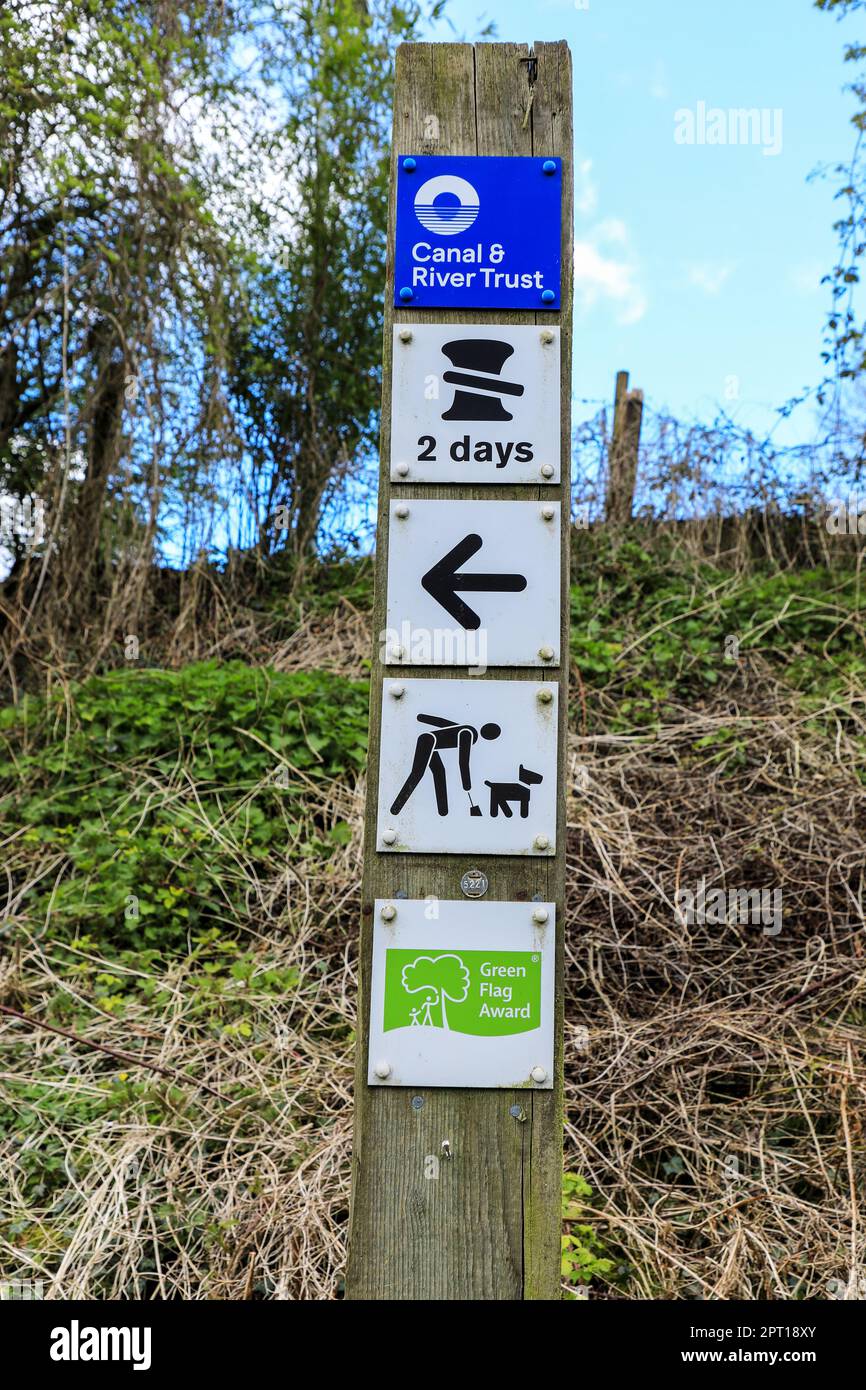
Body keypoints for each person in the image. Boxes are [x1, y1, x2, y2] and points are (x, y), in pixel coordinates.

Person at [389, 713, 501, 817]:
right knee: (417, 774)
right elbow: (463, 762)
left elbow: (441, 722)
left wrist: (422, 717)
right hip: (427, 741)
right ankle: (396, 808)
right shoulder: (467, 733)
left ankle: (443, 812)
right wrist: (467, 785)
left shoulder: (466, 729)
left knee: (439, 771)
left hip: (433, 745)